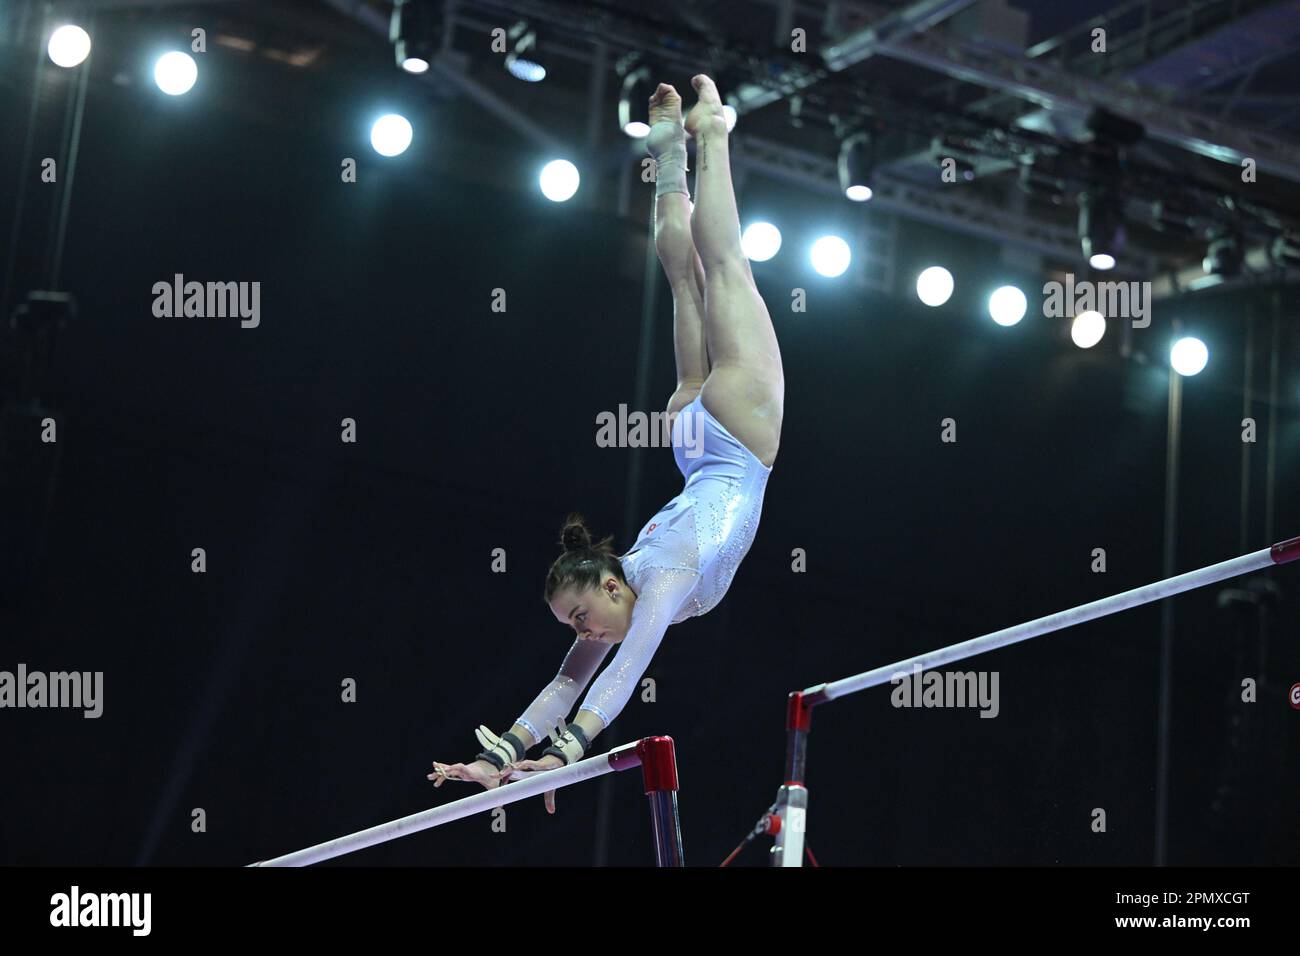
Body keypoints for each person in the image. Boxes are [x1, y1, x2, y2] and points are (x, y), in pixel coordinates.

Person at [429, 75, 784, 813]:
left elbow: (616, 677)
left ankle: (708, 134)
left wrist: (552, 753)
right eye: (575, 625)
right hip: (696, 439)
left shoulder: (660, 579)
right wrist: (500, 758)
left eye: (581, 618)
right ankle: (666, 153)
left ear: (611, 587)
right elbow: (573, 680)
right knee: (692, 285)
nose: (582, 634)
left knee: (718, 273)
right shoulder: (635, 583)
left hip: (730, 439)